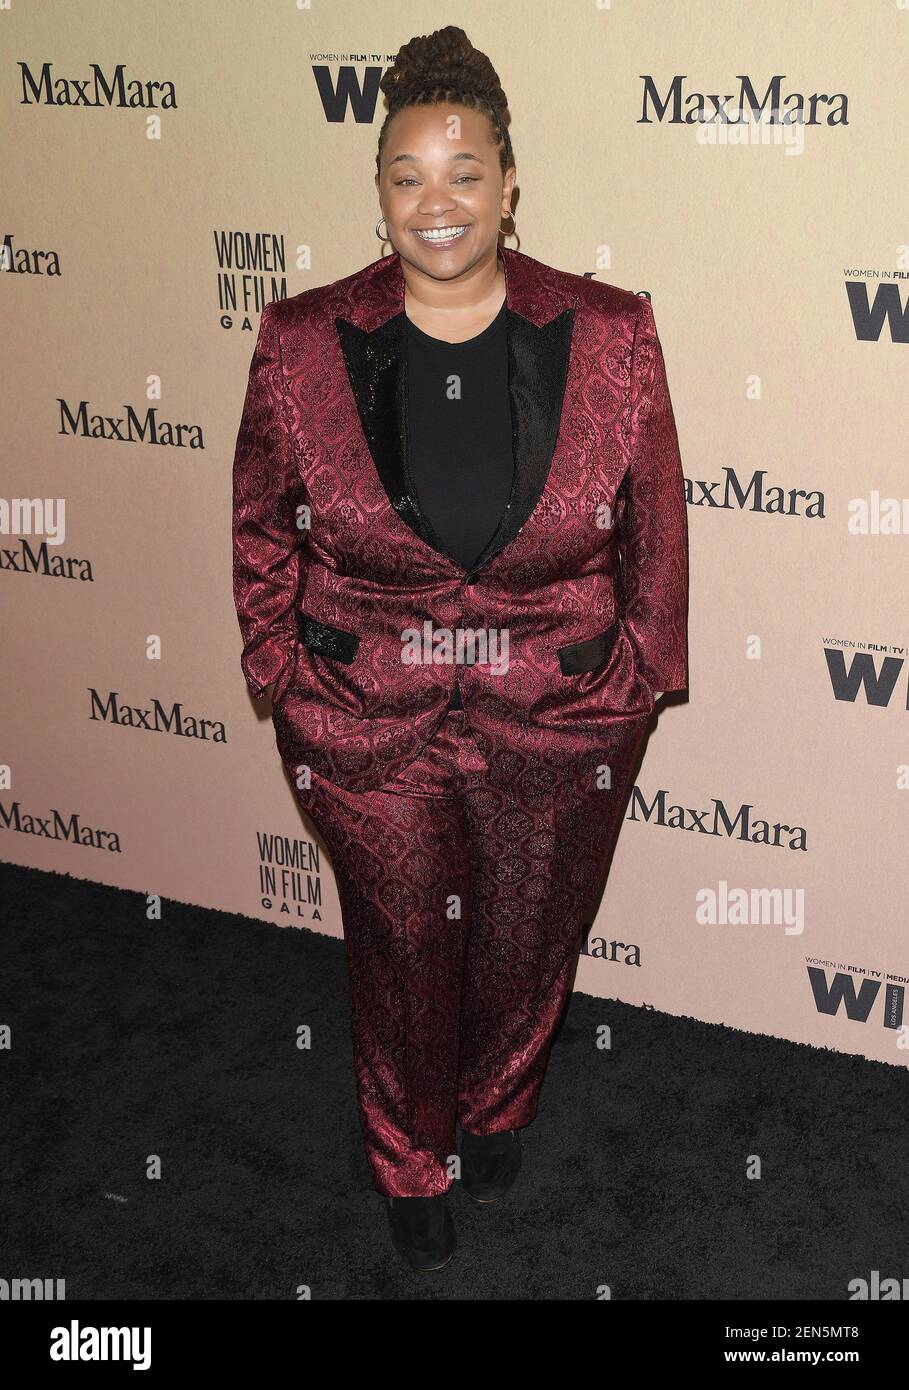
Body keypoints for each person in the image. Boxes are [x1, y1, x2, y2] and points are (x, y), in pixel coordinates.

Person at [231, 24, 688, 1273]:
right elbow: (262, 519)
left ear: (510, 180)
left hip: (559, 706)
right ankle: (406, 1151)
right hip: (366, 711)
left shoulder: (611, 333)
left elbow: (655, 527)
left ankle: (496, 1102)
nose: (439, 202)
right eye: (407, 174)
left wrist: (635, 679)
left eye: (466, 171)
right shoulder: (298, 343)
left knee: (530, 934)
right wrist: (281, 668)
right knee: (401, 945)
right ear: (377, 190)